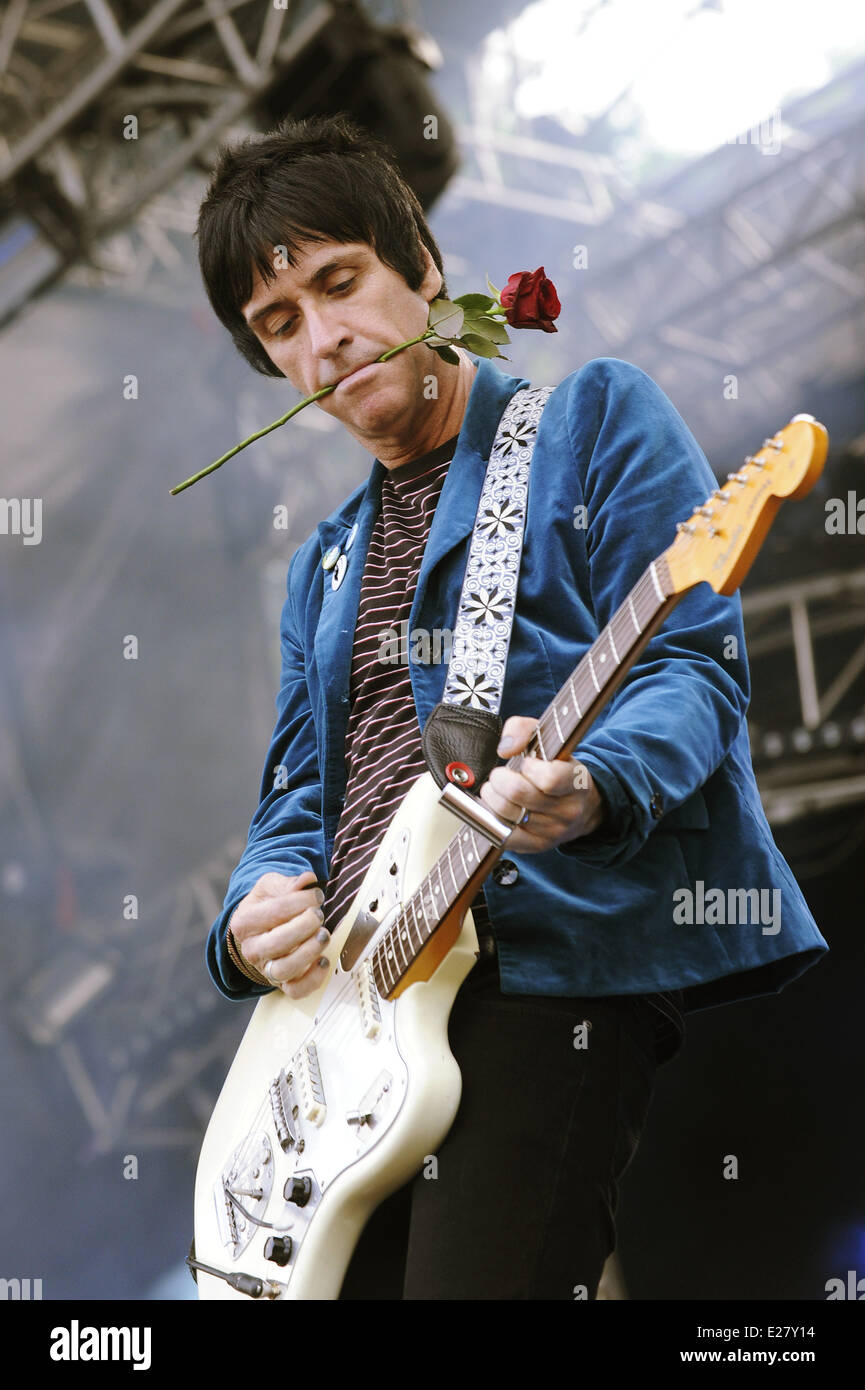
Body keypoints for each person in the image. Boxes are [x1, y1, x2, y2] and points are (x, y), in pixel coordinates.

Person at [195, 114, 827, 1300]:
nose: (323, 340)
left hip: (537, 968)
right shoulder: (321, 564)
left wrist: (592, 780)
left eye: (341, 284)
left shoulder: (586, 421)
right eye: (280, 325)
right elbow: (293, 793)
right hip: (344, 1021)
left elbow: (691, 666)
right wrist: (249, 913)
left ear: (421, 268)